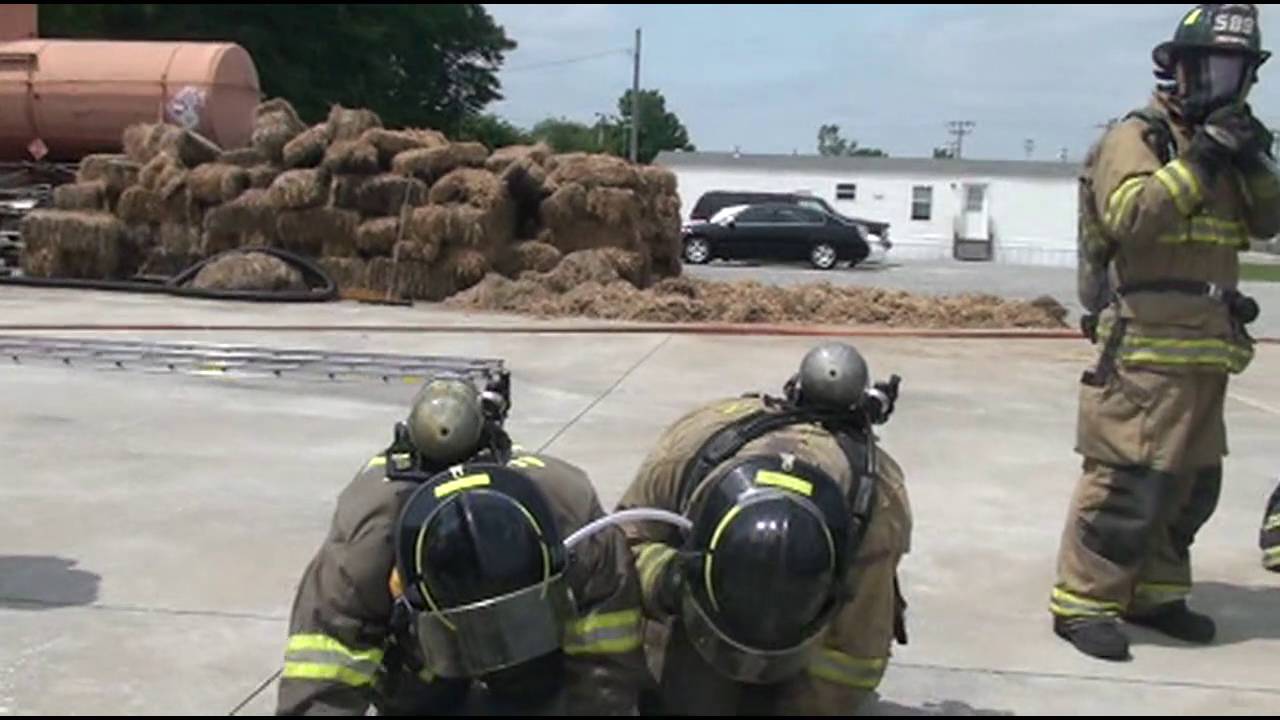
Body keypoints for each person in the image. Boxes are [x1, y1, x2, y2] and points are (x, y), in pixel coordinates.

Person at [1056, 3, 1280, 661]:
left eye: (1235, 70)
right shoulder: (1139, 137)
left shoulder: (1231, 146)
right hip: (1143, 350)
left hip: (1208, 349)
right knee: (1127, 483)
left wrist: (1255, 160)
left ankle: (1155, 593)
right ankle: (1084, 601)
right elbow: (1130, 217)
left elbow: (1268, 224)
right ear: (1176, 69)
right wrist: (1203, 159)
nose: (1222, 82)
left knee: (1190, 485)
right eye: (1209, 67)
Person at [276, 372, 646, 715]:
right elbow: (322, 686)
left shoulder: (573, 515)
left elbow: (606, 665)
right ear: (407, 581)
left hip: (536, 667)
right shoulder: (365, 545)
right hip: (424, 672)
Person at [616, 342, 911, 715]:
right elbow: (619, 548)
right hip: (694, 625)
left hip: (802, 652)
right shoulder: (694, 443)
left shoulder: (876, 504)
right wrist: (667, 578)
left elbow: (853, 654)